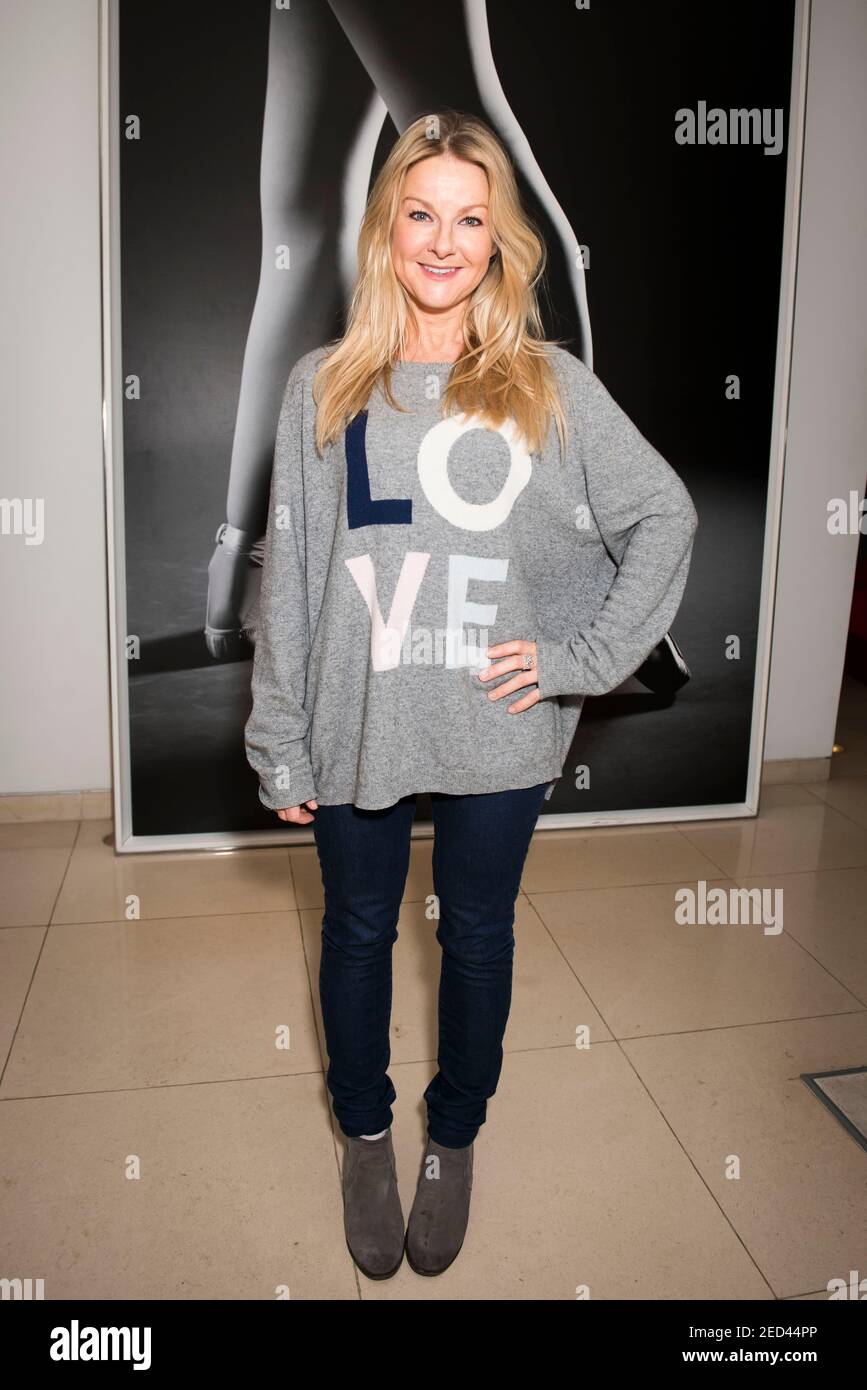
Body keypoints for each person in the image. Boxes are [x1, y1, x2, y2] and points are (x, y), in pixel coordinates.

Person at [244, 110, 698, 1281]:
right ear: (386, 228)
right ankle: (366, 1132)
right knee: (355, 930)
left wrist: (579, 657)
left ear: (499, 244)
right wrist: (278, 739)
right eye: (421, 214)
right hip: (360, 717)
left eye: (470, 220)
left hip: (499, 722)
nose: (443, 242)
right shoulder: (321, 387)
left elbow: (665, 515)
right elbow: (291, 575)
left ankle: (454, 1135)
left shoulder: (546, 385)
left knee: (478, 933)